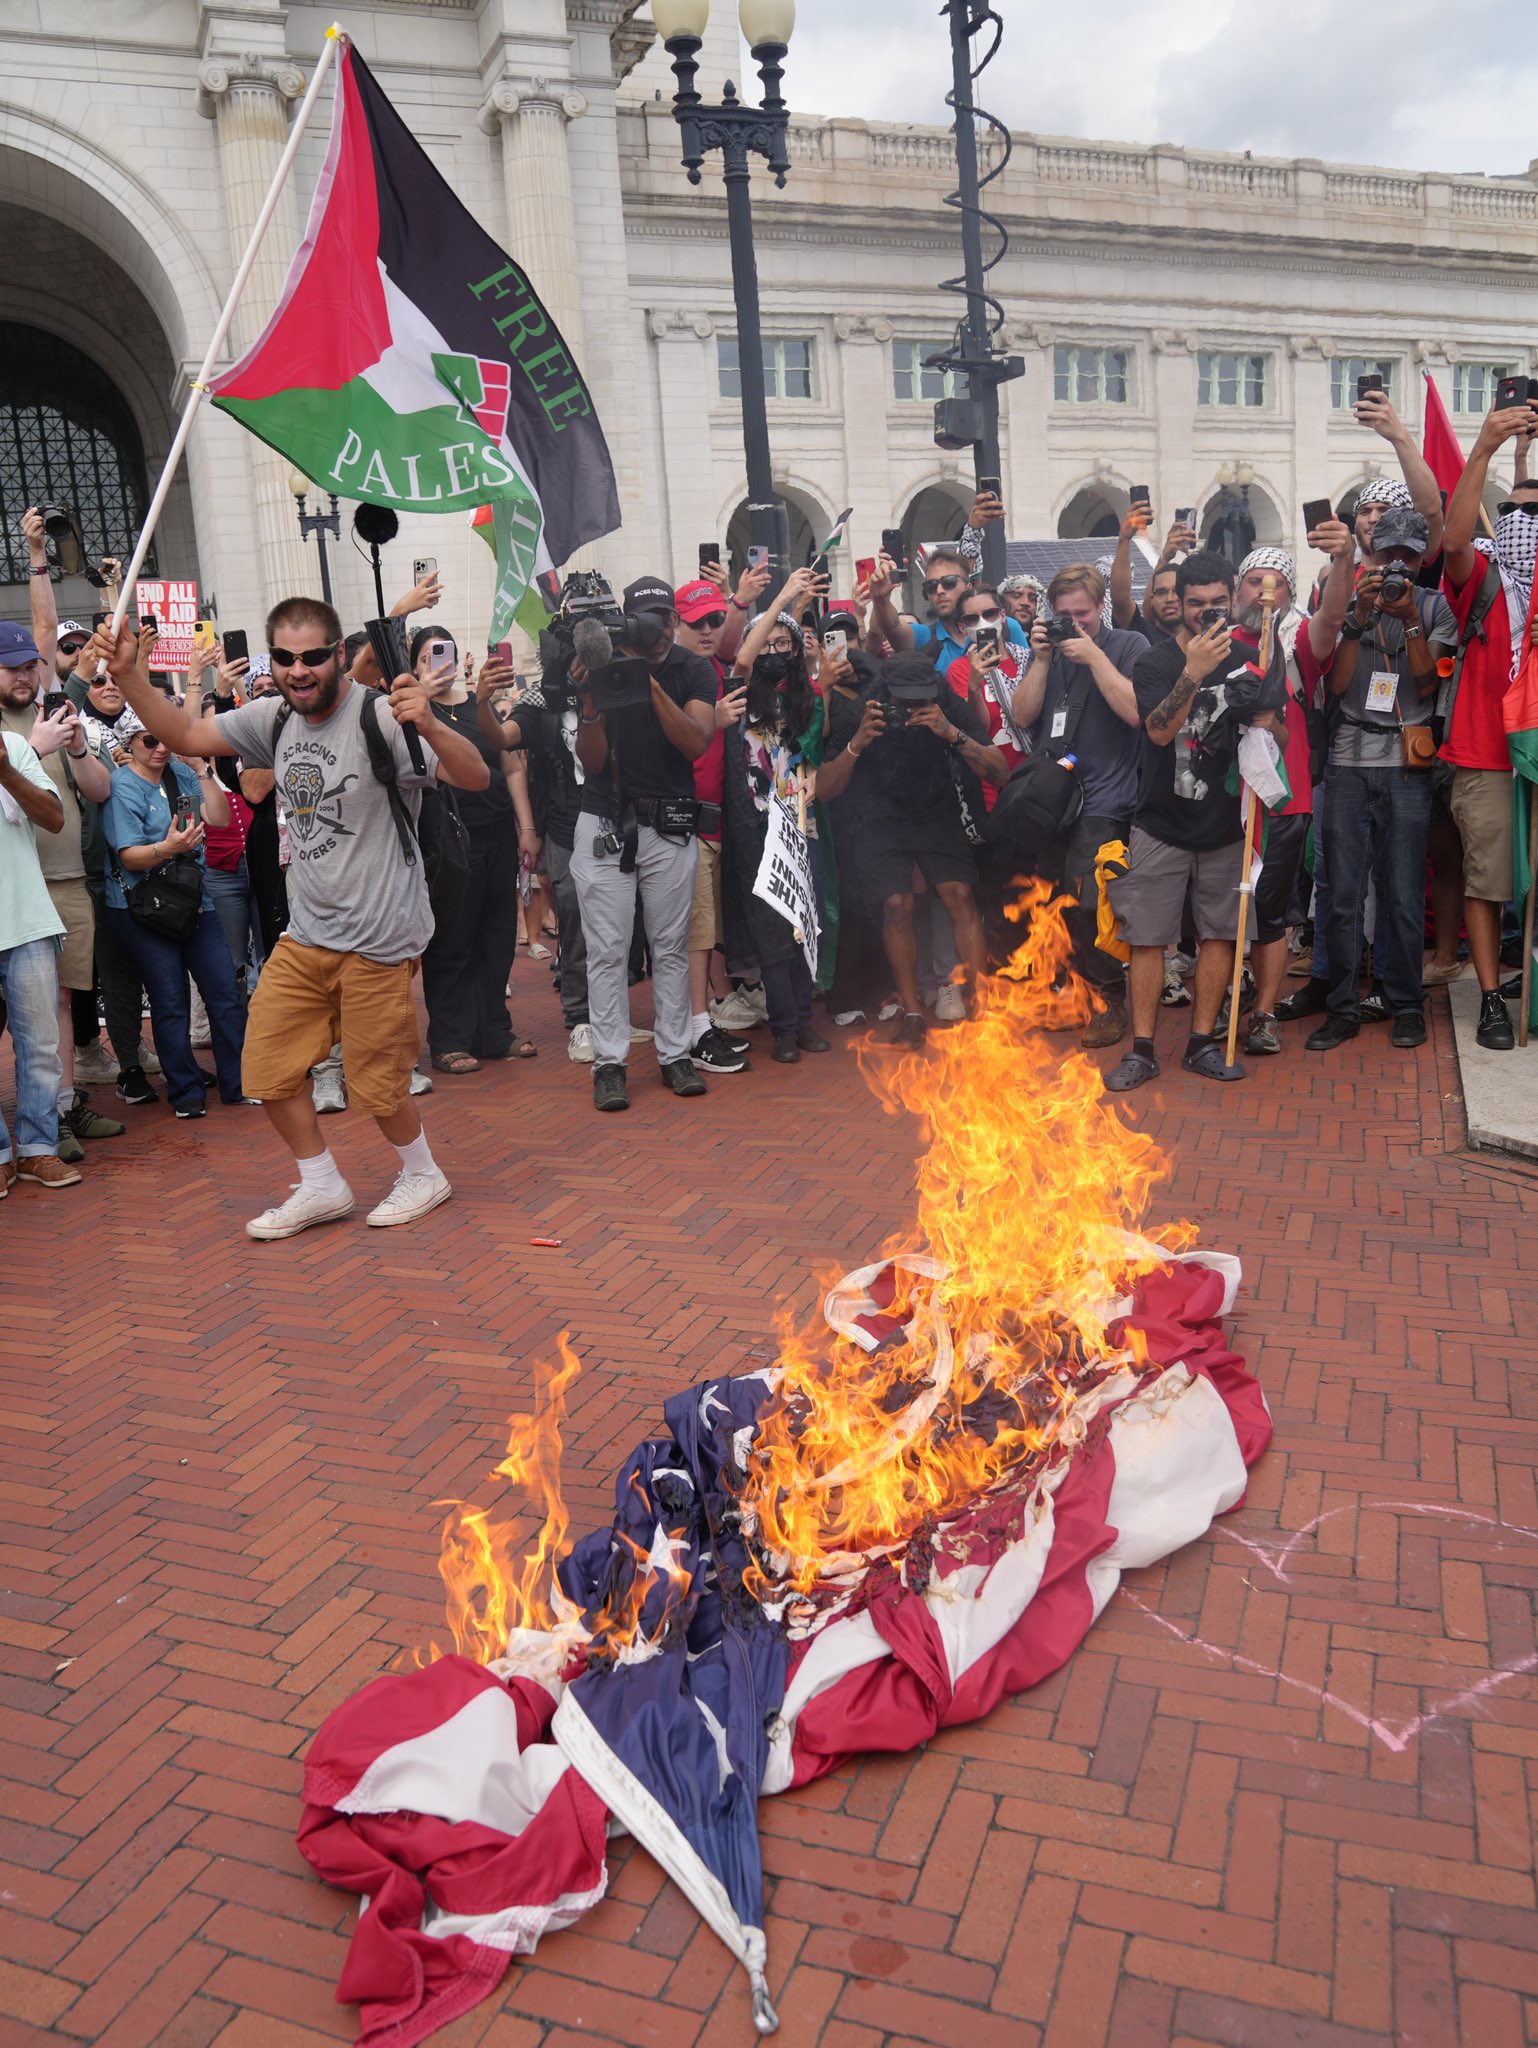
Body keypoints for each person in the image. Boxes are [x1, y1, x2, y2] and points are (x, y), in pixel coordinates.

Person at [91, 595, 491, 1236]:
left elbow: (475, 778)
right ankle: (322, 1184)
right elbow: (186, 735)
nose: (298, 670)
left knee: (377, 1083)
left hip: (381, 937)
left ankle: (423, 1173)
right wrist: (132, 674)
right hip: (307, 936)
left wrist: (435, 723)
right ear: (272, 662)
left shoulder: (382, 717)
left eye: (311, 657)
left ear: (337, 655)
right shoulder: (272, 719)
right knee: (268, 1068)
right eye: (284, 657)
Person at [1105, 551, 1285, 1090]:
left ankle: (1202, 1041)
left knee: (1220, 936)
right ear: (1176, 605)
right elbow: (1159, 731)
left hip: (1228, 823)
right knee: (1147, 938)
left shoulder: (1255, 655)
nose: (1207, 613)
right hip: (1160, 820)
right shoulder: (1154, 662)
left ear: (1232, 598)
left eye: (1217, 603)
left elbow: (1276, 732)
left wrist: (1265, 729)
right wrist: (1195, 672)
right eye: (1195, 604)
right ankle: (1141, 1051)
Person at [1296, 506, 1456, 1053]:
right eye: (1389, 554)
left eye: (1409, 556)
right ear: (1374, 553)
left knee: (1405, 891)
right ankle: (1341, 1007)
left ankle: (1405, 1004)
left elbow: (1424, 683)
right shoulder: (1349, 605)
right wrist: (1357, 620)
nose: (1398, 566)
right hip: (1347, 761)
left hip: (1405, 763)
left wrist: (1409, 616)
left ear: (1421, 559)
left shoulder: (1435, 608)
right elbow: (1337, 685)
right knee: (1342, 895)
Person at [571, 576, 717, 1112]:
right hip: (605, 818)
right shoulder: (602, 667)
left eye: (665, 619)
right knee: (607, 948)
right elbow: (591, 762)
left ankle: (676, 1054)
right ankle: (609, 1063)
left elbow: (695, 741)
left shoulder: (692, 669)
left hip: (670, 823)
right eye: (646, 620)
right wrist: (593, 698)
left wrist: (646, 681)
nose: (658, 631)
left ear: (675, 621)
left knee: (671, 944)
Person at [0, 618, 124, 1161]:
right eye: (13, 666)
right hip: (20, 885)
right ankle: (25, 1132)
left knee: (61, 1002)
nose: (25, 675)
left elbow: (96, 792)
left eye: (31, 665)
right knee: (28, 1014)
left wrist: (72, 747)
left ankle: (58, 1115)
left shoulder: (56, 712)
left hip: (64, 880)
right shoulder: (14, 728)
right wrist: (33, 745)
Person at [1435, 394, 1537, 1051]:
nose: (1527, 520)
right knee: (1489, 882)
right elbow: (1449, 541)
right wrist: (1488, 447)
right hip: (1487, 758)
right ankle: (1492, 999)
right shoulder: (1485, 579)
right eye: (1517, 511)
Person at [1010, 563, 1146, 1046]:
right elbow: (1023, 715)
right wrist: (1042, 659)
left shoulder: (1128, 645)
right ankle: (1076, 995)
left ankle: (1111, 1001)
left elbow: (1135, 711)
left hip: (1106, 800)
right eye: (1064, 614)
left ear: (1101, 607)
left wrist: (1091, 656)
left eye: (1082, 613)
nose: (1074, 623)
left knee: (1094, 907)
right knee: (1057, 905)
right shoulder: (1049, 652)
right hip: (1051, 802)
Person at [856, 653, 1007, 1046]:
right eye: (904, 701)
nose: (911, 708)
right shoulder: (868, 708)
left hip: (937, 811)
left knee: (959, 894)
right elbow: (833, 775)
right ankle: (911, 1012)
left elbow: (999, 770)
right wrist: (861, 738)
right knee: (896, 904)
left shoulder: (945, 705)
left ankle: (982, 1004)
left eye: (919, 700)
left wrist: (951, 732)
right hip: (881, 815)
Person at [102, 728, 247, 1116]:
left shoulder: (182, 772)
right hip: (145, 908)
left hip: (193, 901)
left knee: (225, 992)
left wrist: (201, 767)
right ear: (129, 742)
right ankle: (186, 1092)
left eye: (167, 738)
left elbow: (218, 818)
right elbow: (129, 856)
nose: (162, 748)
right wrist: (168, 849)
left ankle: (239, 1082)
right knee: (170, 1000)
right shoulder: (121, 785)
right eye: (150, 740)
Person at [412, 624, 531, 1072]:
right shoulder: (416, 713)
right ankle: (449, 1038)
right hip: (448, 839)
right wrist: (420, 695)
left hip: (497, 831)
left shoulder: (477, 708)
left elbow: (511, 765)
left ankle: (493, 1032)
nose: (435, 665)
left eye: (441, 655)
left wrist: (527, 826)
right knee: (452, 940)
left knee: (497, 936)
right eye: (425, 657)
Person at [1232, 544, 1335, 1056]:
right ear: (1237, 590)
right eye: (1255, 581)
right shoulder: (1217, 643)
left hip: (1282, 805)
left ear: (1292, 594)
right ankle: (1225, 1002)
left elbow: (1332, 617)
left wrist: (1341, 561)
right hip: (1222, 804)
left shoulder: (1299, 646)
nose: (1264, 592)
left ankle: (1264, 1013)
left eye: (1276, 583)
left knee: (1268, 915)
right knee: (1221, 914)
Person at [722, 607, 830, 1063]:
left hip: (800, 826)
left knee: (802, 925)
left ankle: (804, 1021)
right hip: (755, 830)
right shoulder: (741, 696)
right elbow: (741, 665)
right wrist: (783, 598)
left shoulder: (810, 700)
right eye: (764, 643)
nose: (772, 652)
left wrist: (813, 778)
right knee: (770, 933)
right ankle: (783, 1027)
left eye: (782, 644)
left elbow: (814, 757)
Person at [672, 576, 753, 1075]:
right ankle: (695, 1027)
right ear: (675, 625)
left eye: (714, 620)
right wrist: (710, 724)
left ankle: (700, 1020)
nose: (707, 629)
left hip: (717, 820)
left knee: (706, 930)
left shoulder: (714, 671)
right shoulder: (672, 675)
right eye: (696, 622)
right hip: (686, 823)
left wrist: (758, 599)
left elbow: (739, 655)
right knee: (695, 933)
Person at [0, 714, 77, 1190]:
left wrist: (6, 771)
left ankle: (37, 1149)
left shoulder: (14, 746)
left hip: (26, 921)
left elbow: (53, 818)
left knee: (40, 1046)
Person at [869, 545, 1029, 670]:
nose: (939, 591)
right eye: (931, 586)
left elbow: (1027, 675)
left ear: (968, 587)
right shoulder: (924, 636)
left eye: (949, 582)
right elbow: (892, 626)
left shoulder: (1005, 626)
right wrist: (880, 597)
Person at [1109, 511, 1197, 642]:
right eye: (1161, 592)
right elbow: (1120, 600)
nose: (1170, 599)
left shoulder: (1204, 640)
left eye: (1177, 591)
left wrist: (1164, 558)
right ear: (1151, 599)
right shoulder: (1143, 635)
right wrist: (1124, 539)